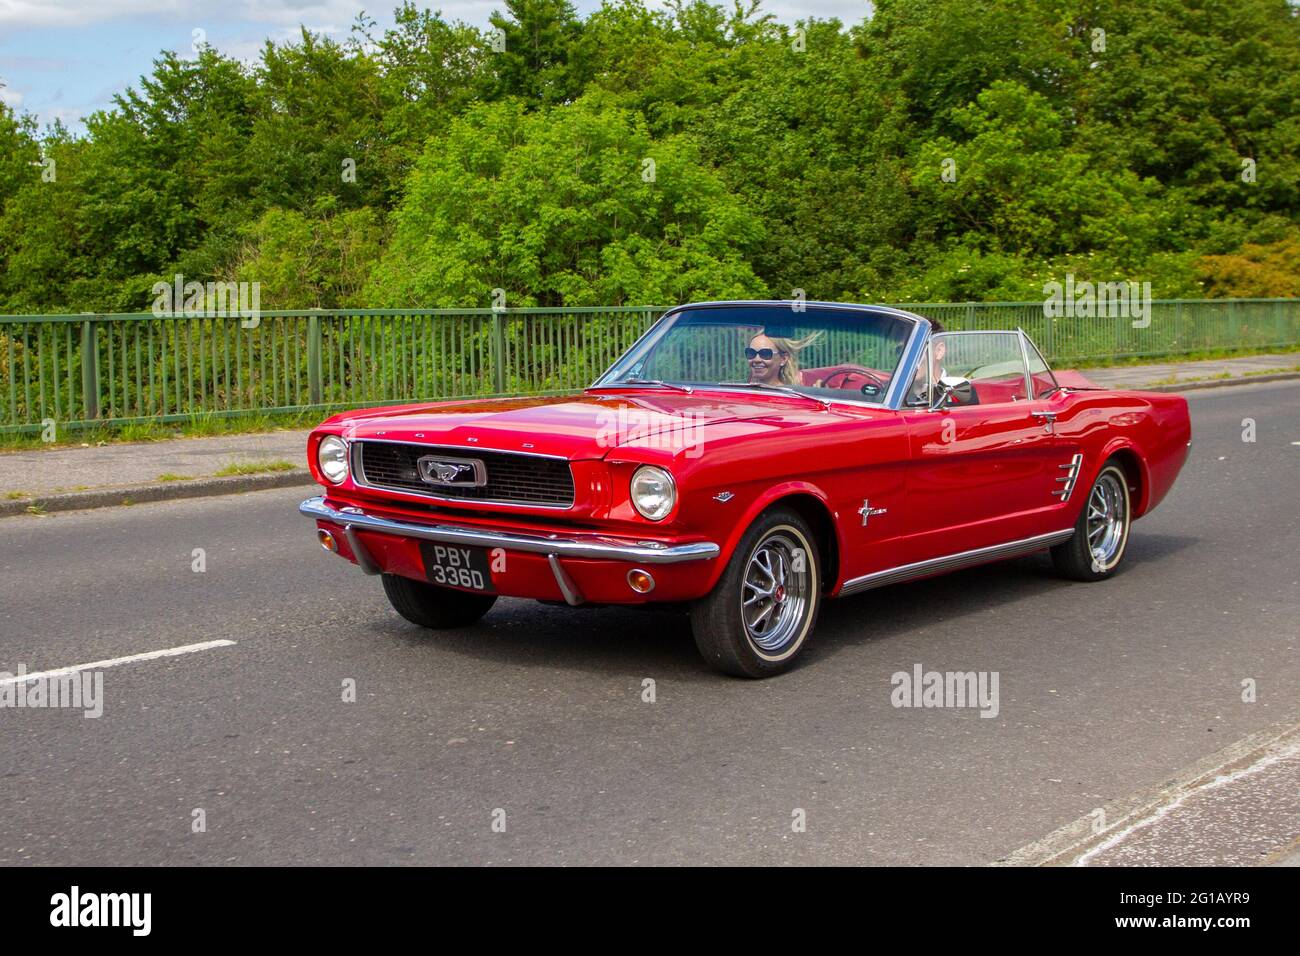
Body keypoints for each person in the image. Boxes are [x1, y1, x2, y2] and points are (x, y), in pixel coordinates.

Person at [746, 330, 822, 386]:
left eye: (765, 353)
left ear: (783, 359)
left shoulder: (793, 396)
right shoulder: (739, 391)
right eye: (751, 353)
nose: (756, 359)